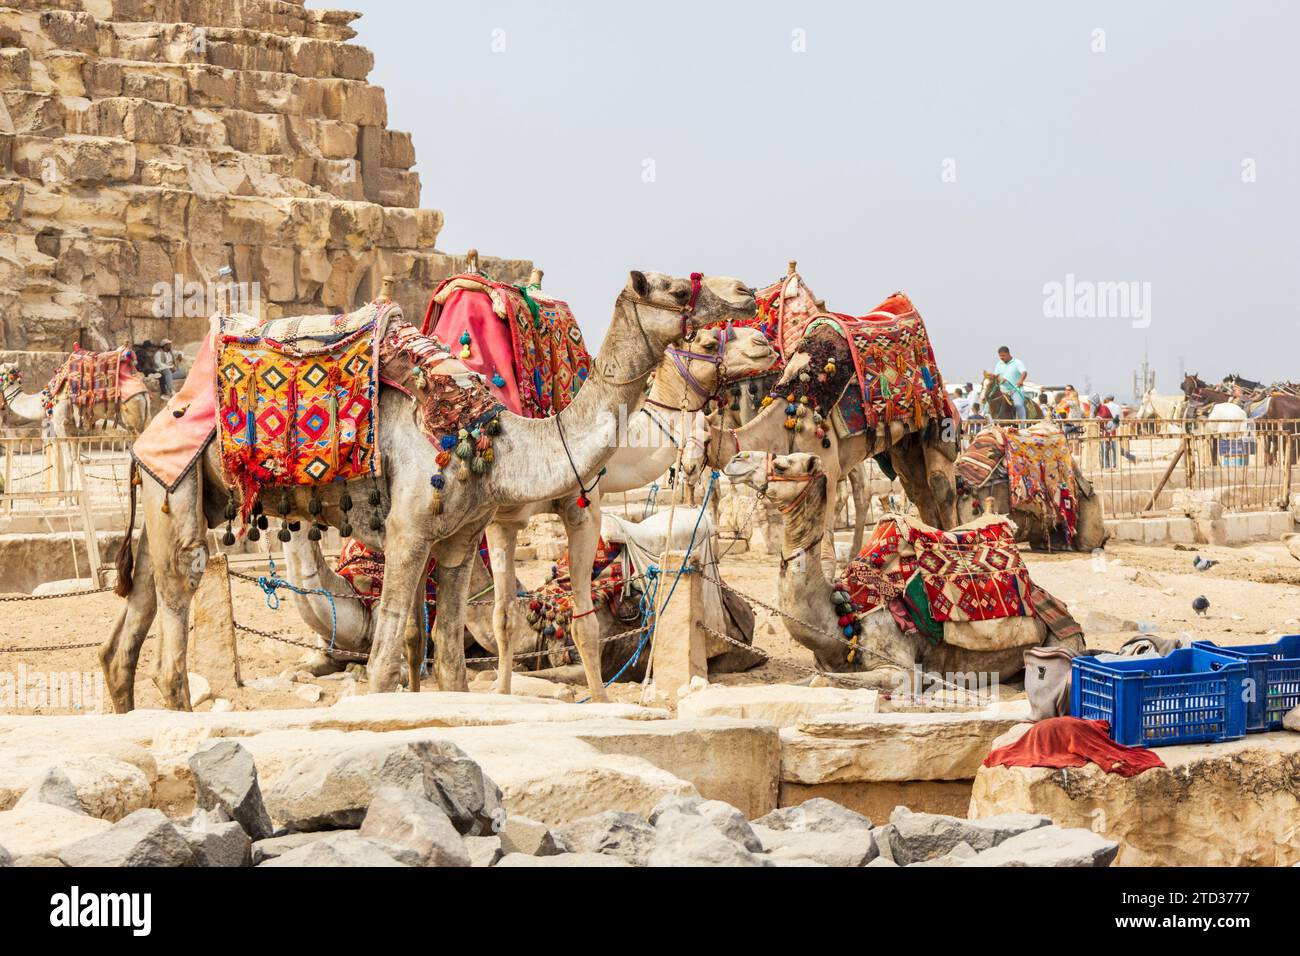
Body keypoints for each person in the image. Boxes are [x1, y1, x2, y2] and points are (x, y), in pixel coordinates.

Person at [994, 346, 1028, 421]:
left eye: (1003, 356)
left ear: (1008, 354)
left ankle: (1023, 424)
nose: (1001, 358)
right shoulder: (999, 364)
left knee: (1018, 405)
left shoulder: (1017, 362)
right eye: (1000, 356)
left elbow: (1024, 372)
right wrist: (1000, 380)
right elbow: (995, 376)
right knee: (988, 405)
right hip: (1002, 391)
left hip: (1015, 390)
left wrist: (1021, 381)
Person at [1095, 393, 1117, 468]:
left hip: (1107, 432)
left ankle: (1107, 466)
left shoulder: (1103, 408)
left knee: (1105, 451)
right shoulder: (1117, 406)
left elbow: (1103, 417)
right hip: (1112, 431)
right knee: (1113, 450)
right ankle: (1113, 465)